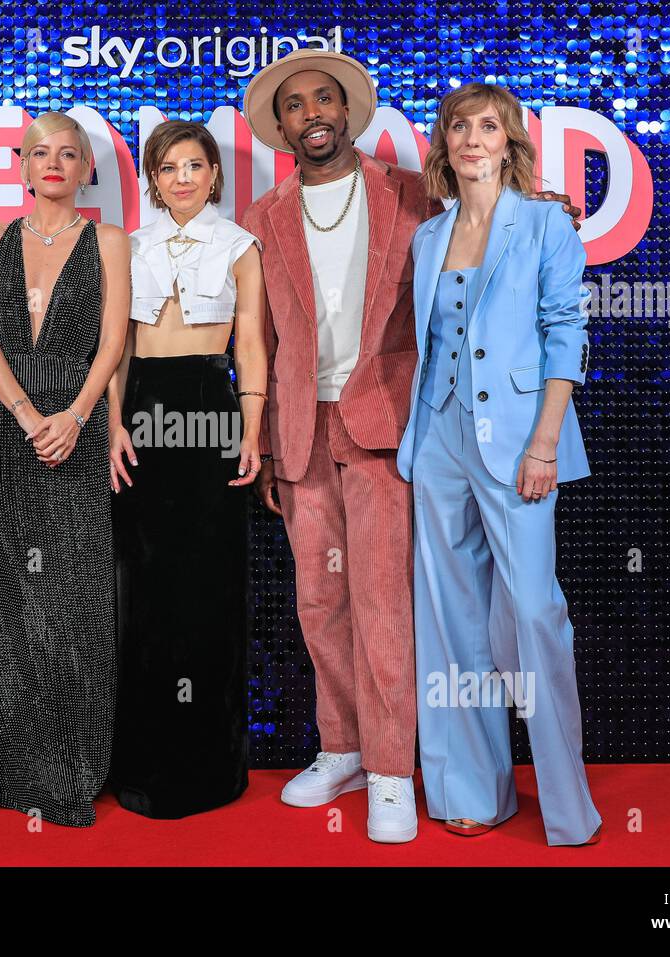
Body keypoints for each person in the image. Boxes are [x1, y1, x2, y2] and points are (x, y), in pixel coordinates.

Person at [240, 49, 581, 843]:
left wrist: (542, 204)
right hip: (302, 428)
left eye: (327, 98)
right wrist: (260, 433)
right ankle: (344, 747)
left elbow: (496, 223)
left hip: (392, 423)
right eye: (297, 105)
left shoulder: (408, 195)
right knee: (320, 601)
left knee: (389, 605)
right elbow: (255, 336)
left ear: (349, 112)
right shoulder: (264, 216)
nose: (314, 112)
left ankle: (394, 770)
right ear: (282, 125)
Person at [396, 82, 602, 846]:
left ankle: (566, 803)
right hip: (438, 439)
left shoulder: (546, 223)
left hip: (519, 440)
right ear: (444, 142)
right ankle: (472, 789)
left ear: (509, 140)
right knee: (450, 622)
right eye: (459, 127)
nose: (473, 138)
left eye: (488, 126)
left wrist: (545, 442)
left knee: (533, 614)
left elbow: (565, 335)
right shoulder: (429, 235)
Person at [0, 110, 131, 827]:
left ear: (87, 167)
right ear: (22, 166)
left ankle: (74, 766)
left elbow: (114, 339)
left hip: (77, 426)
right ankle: (19, 765)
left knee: (74, 600)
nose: (54, 163)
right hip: (8, 433)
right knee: (10, 605)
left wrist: (79, 415)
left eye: (68, 153)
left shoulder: (111, 242)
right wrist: (29, 417)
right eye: (40, 153)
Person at [106, 120, 266, 818]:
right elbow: (115, 346)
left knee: (207, 581)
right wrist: (112, 421)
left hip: (209, 404)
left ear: (214, 175)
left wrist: (252, 430)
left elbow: (253, 345)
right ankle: (143, 765)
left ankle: (209, 767)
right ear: (152, 177)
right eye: (168, 167)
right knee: (143, 584)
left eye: (194, 166)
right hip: (141, 404)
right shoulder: (127, 246)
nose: (181, 179)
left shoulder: (240, 246)